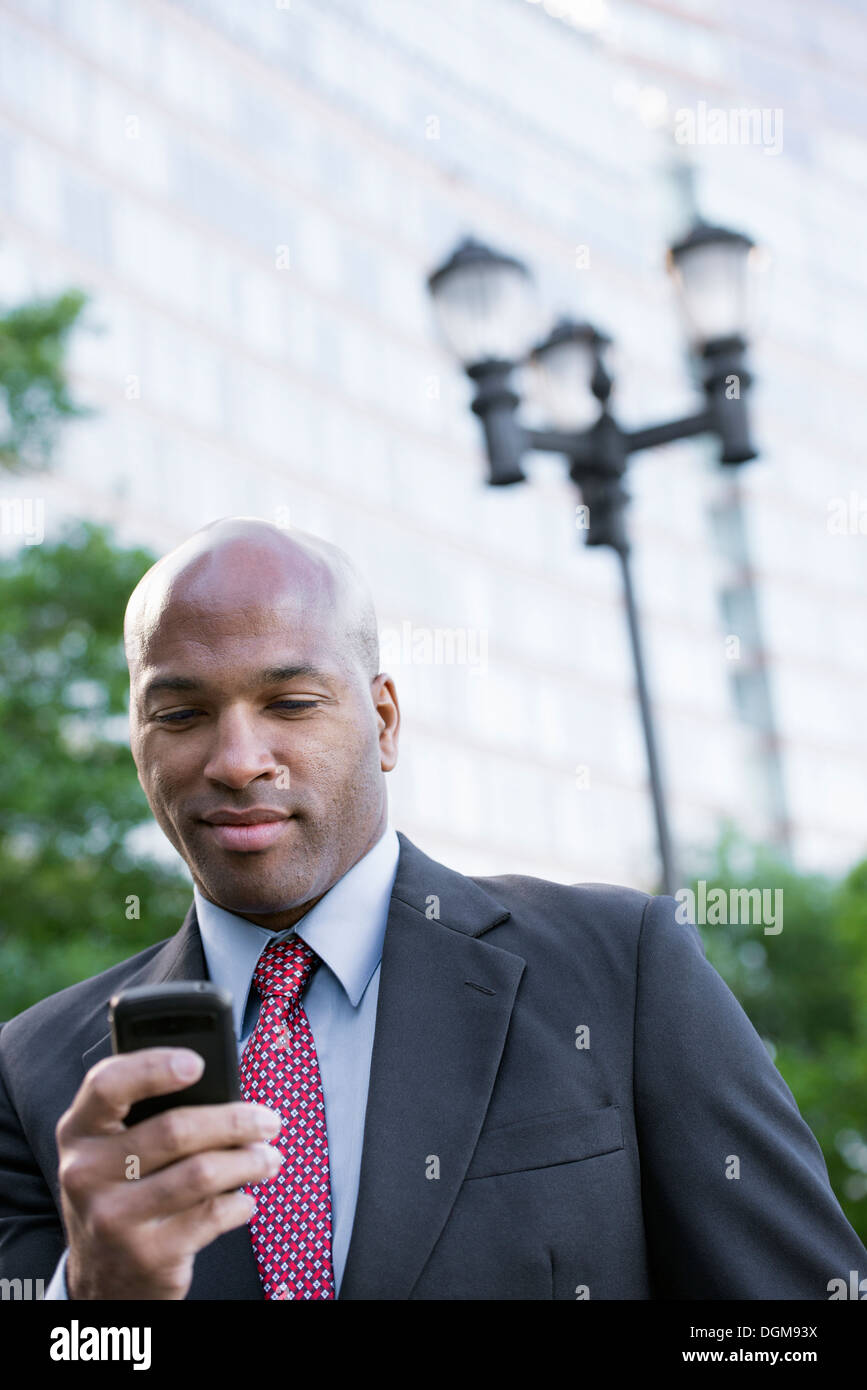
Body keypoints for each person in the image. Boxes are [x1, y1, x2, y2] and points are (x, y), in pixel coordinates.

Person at [0, 516, 863, 1301]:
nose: (236, 759)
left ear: (382, 721)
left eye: (290, 703)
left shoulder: (621, 969)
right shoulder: (36, 1073)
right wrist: (93, 1301)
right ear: (138, 740)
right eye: (181, 712)